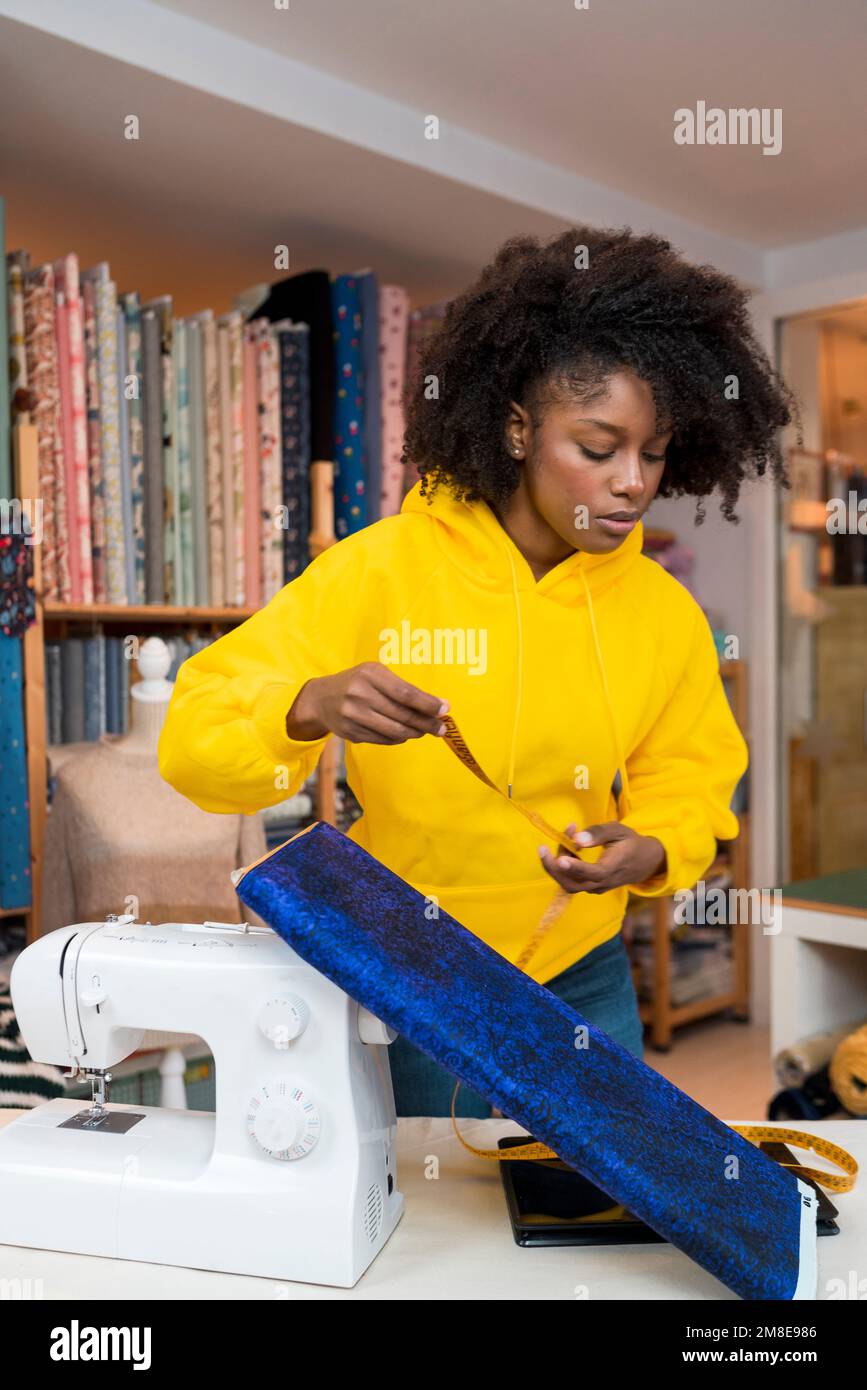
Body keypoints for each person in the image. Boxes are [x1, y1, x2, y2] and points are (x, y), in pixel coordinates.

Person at [158, 225, 795, 1116]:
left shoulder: (662, 612)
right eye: (598, 446)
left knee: (592, 1211)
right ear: (518, 427)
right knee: (434, 1221)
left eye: (651, 454)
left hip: (582, 973)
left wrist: (650, 847)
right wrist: (303, 707)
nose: (630, 483)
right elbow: (197, 744)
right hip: (415, 966)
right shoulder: (377, 568)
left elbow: (691, 777)